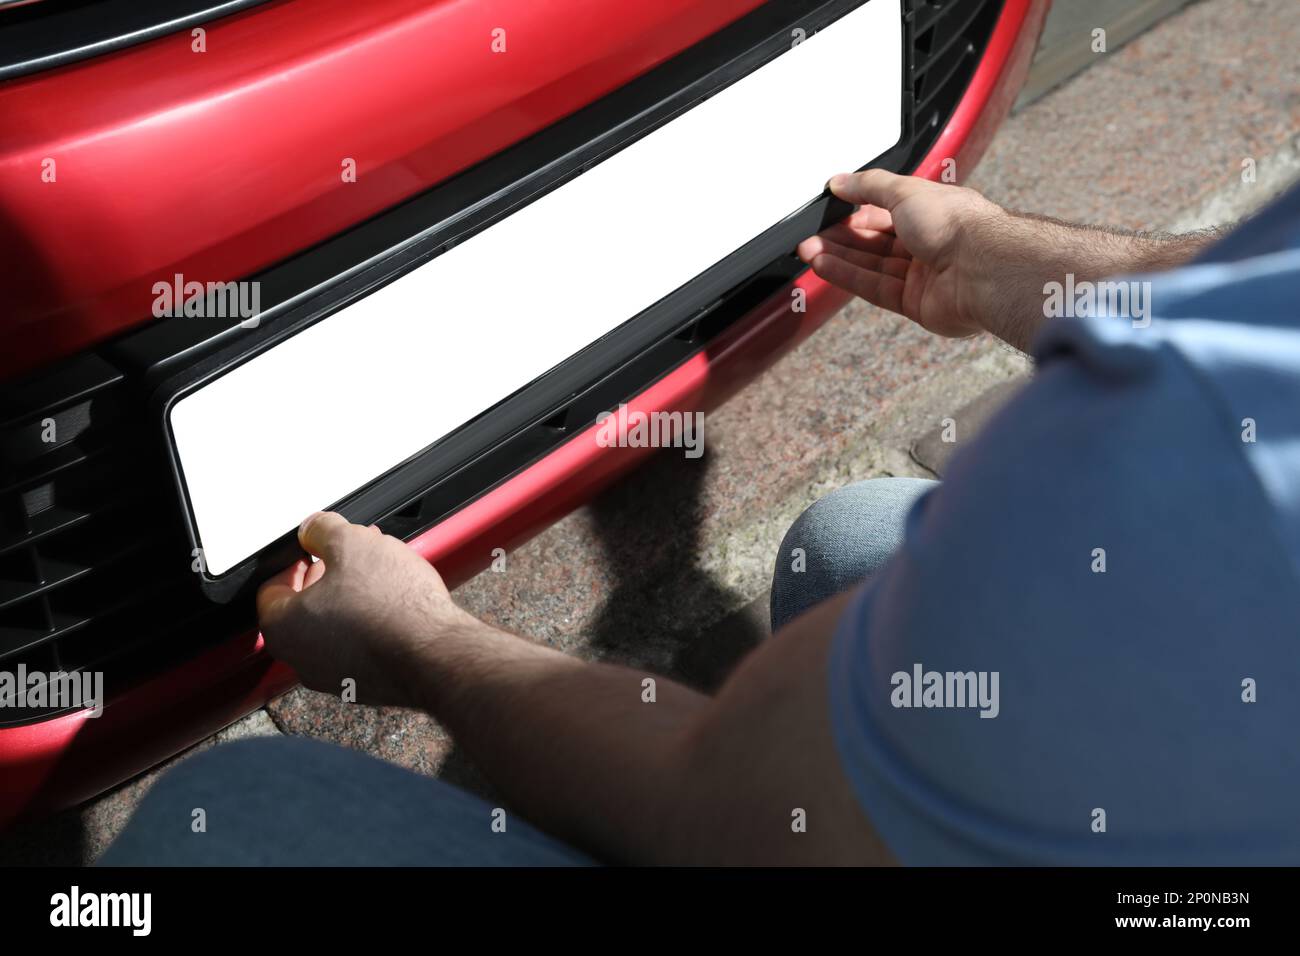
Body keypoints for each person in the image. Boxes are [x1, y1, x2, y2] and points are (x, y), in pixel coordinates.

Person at [102, 170, 1300, 866]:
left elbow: (706, 797)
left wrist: (422, 641)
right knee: (853, 541)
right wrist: (991, 256)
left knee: (244, 822)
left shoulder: (1147, 500)